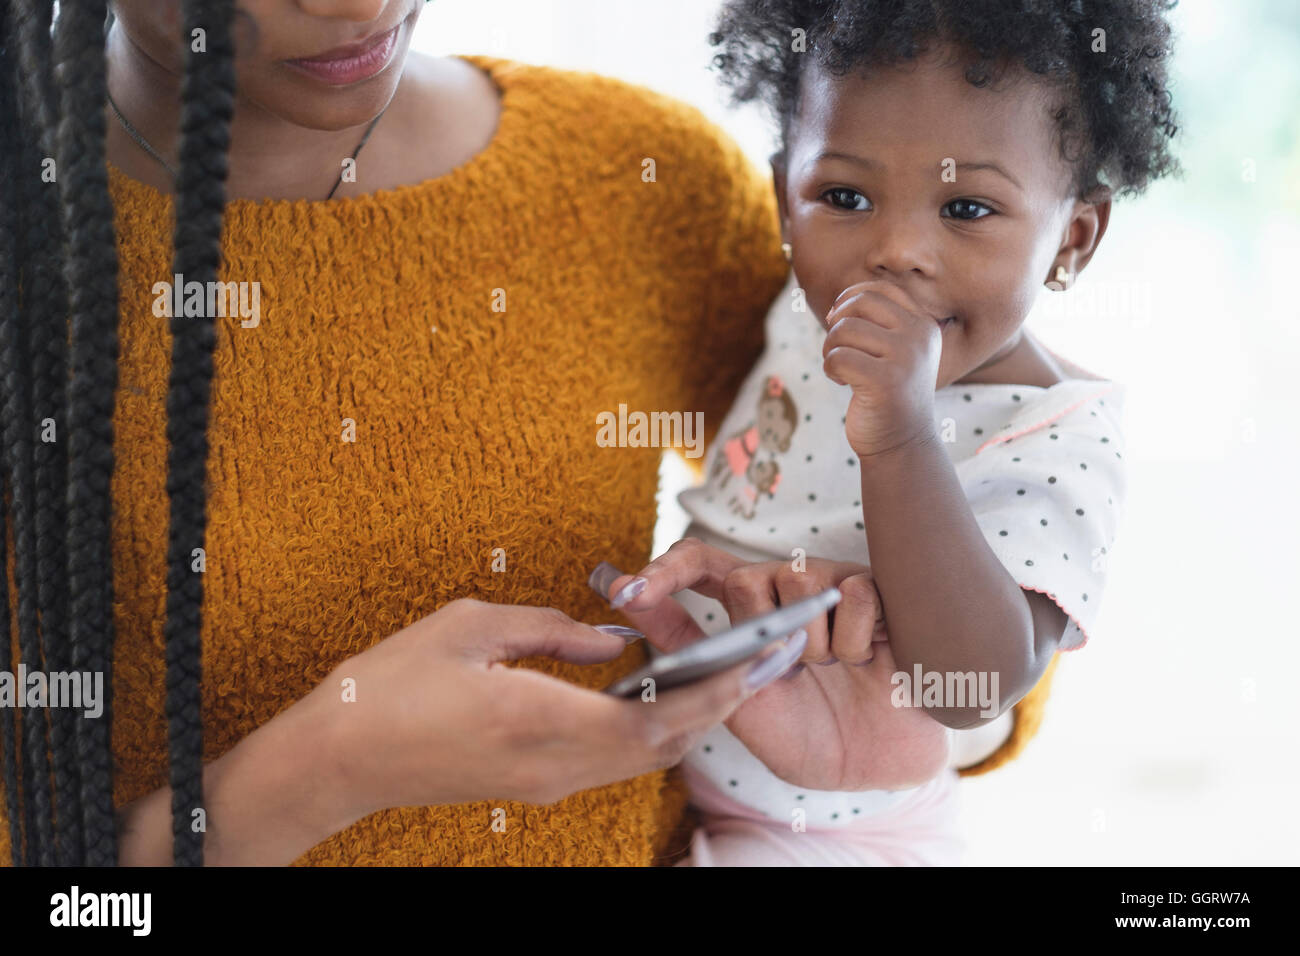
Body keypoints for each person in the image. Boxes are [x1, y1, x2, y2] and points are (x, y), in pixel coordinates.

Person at [0, 0, 800, 866]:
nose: (358, 5)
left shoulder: (641, 172)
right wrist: (332, 768)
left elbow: (902, 586)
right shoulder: (31, 249)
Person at [596, 0, 1178, 865]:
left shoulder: (1055, 434)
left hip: (838, 831)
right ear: (782, 201)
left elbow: (977, 684)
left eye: (969, 209)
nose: (896, 250)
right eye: (844, 197)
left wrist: (902, 434)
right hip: (674, 761)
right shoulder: (808, 315)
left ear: (1074, 239)